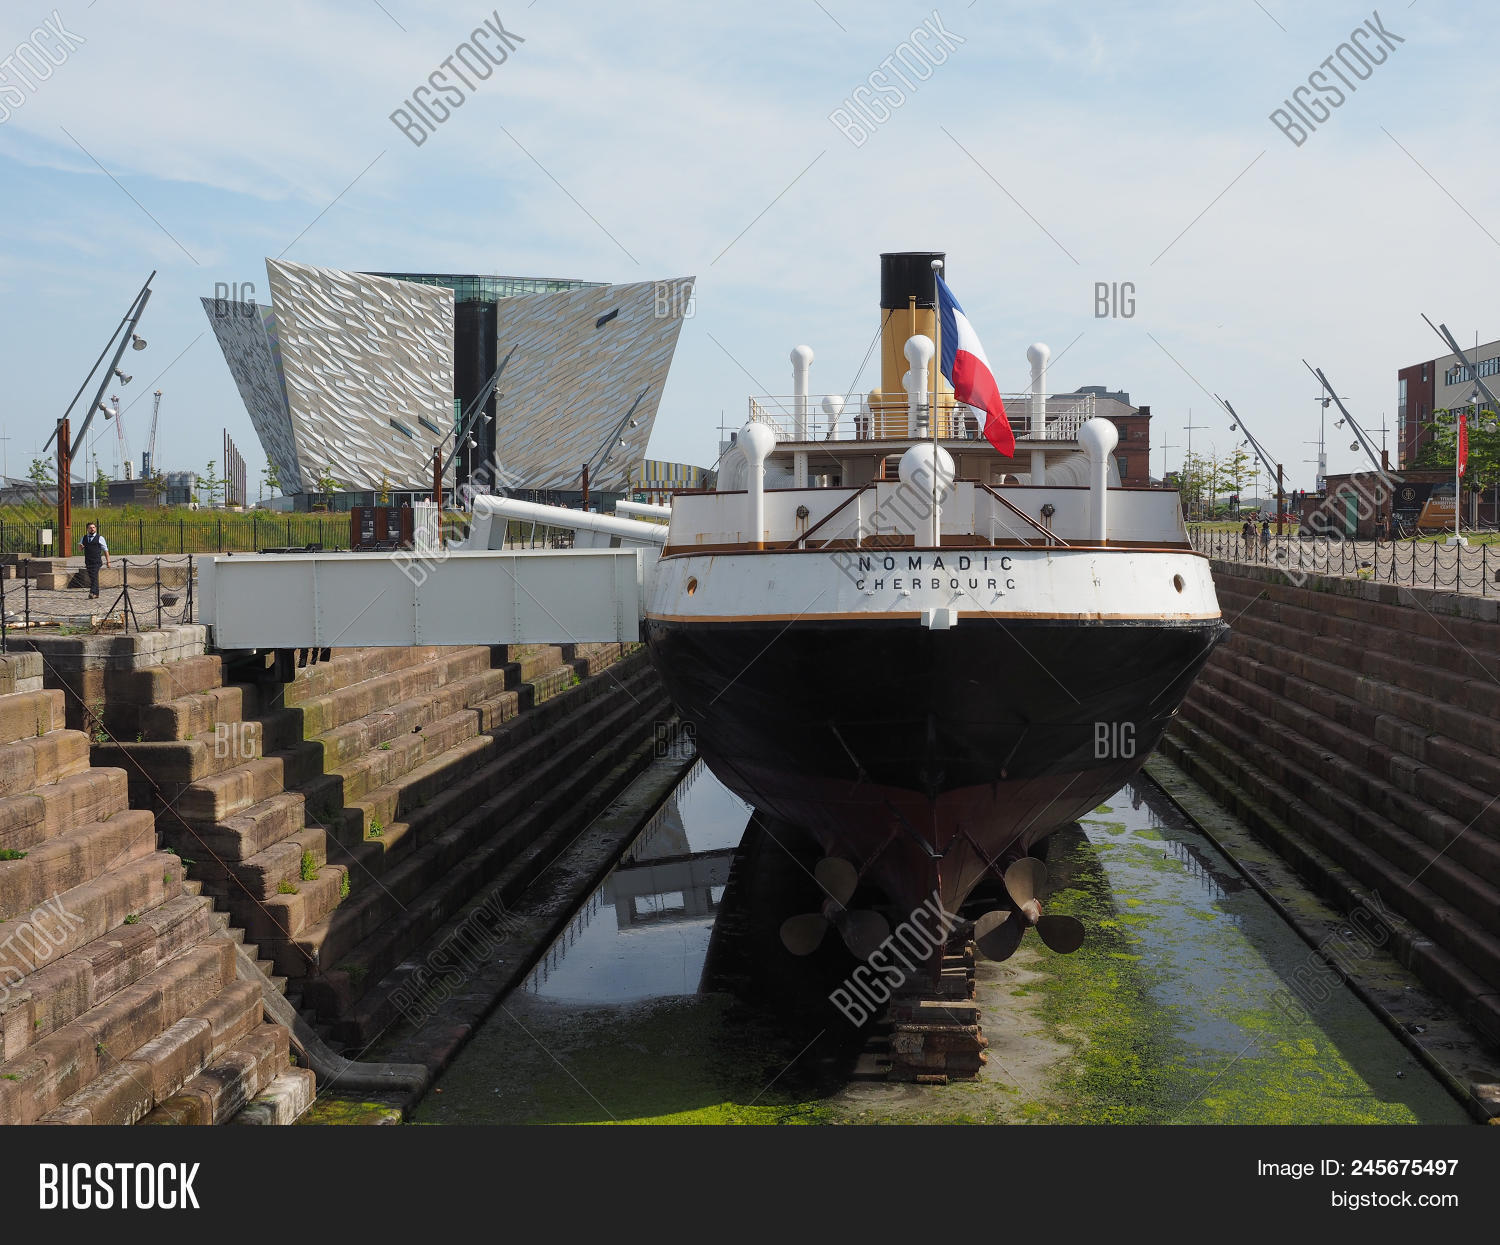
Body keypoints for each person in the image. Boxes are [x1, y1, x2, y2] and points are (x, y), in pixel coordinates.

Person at [80, 521, 110, 598]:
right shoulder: (84, 537)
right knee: (93, 577)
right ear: (87, 529)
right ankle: (96, 594)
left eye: (93, 527)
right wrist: (81, 547)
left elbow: (105, 550)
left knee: (93, 576)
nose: (92, 529)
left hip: (97, 561)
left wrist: (108, 562)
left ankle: (92, 592)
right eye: (90, 528)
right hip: (88, 561)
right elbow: (80, 548)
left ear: (95, 528)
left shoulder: (100, 538)